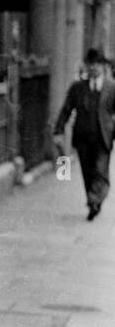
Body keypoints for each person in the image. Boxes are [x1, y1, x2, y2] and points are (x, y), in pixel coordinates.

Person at [52, 48, 115, 221]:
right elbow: (66, 109)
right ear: (87, 66)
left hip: (103, 138)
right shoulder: (77, 88)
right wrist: (58, 130)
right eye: (90, 64)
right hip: (83, 138)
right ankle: (93, 199)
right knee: (87, 173)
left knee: (100, 171)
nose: (94, 68)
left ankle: (95, 199)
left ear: (103, 66)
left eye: (97, 64)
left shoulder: (111, 87)